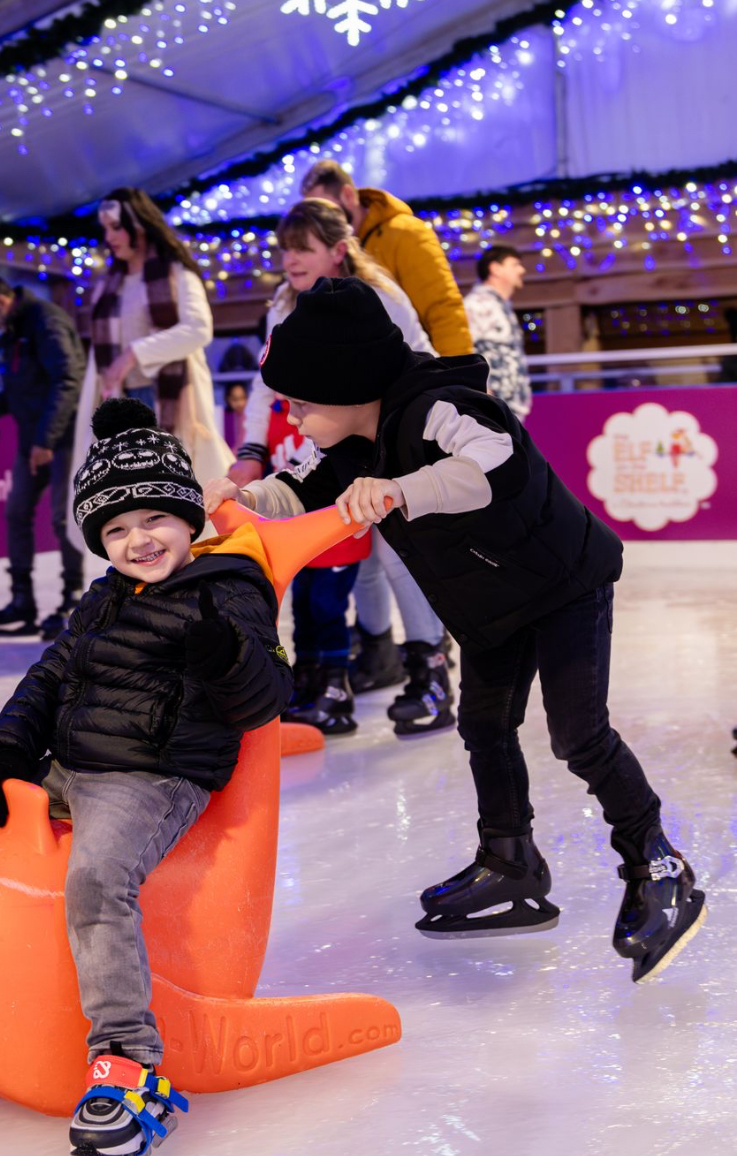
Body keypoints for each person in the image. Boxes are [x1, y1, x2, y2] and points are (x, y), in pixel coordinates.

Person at [204, 277, 706, 984]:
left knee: (578, 733)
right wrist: (238, 497)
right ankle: (510, 860)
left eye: (303, 401)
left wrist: (400, 490)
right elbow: (294, 488)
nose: (293, 414)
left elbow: (495, 463)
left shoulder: (441, 406)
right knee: (484, 726)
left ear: (346, 383)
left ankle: (656, 860)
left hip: (562, 583)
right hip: (492, 604)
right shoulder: (349, 443)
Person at [0, 397, 293, 1156]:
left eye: (154, 519)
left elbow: (265, 697)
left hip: (154, 774)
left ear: (187, 517)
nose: (139, 540)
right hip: (73, 763)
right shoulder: (104, 596)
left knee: (98, 878)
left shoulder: (228, 588)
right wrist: (5, 750)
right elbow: (50, 675)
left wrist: (222, 652)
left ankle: (128, 1060)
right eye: (117, 529)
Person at [229, 198, 449, 736]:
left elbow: (421, 359)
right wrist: (252, 450)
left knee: (398, 555)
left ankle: (433, 675)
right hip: (332, 450)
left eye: (303, 248)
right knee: (355, 553)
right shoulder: (286, 303)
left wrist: (415, 436)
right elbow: (267, 383)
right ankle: (378, 654)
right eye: (285, 249)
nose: (290, 260)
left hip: (393, 443)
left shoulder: (379, 295)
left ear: (338, 250)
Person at [68, 187, 234, 558]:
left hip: (172, 400)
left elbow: (198, 329)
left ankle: (195, 565)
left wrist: (135, 353)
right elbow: (101, 350)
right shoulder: (109, 283)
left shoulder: (176, 274)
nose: (109, 236)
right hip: (122, 403)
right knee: (132, 499)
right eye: (105, 228)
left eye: (116, 227)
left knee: (178, 492)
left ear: (139, 226)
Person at [0, 274, 86, 639]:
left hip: (61, 437)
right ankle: (23, 601)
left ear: (1, 302)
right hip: (32, 438)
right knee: (16, 511)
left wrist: (47, 439)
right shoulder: (14, 330)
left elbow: (68, 380)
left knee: (62, 518)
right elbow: (21, 390)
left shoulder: (45, 320)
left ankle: (73, 599)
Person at [300, 159, 473, 358]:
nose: (320, 220)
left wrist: (456, 371)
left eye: (326, 209)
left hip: (417, 365)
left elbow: (443, 309)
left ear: (348, 195)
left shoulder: (406, 233)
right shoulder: (335, 249)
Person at [463, 246, 533, 422]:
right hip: (492, 408)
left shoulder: (500, 306)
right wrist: (484, 393)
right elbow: (464, 350)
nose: (522, 270)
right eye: (515, 264)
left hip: (508, 407)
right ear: (495, 268)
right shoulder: (476, 305)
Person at [222, 380, 248, 452]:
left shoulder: (250, 417)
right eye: (235, 399)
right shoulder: (223, 418)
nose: (239, 403)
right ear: (227, 399)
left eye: (242, 398)